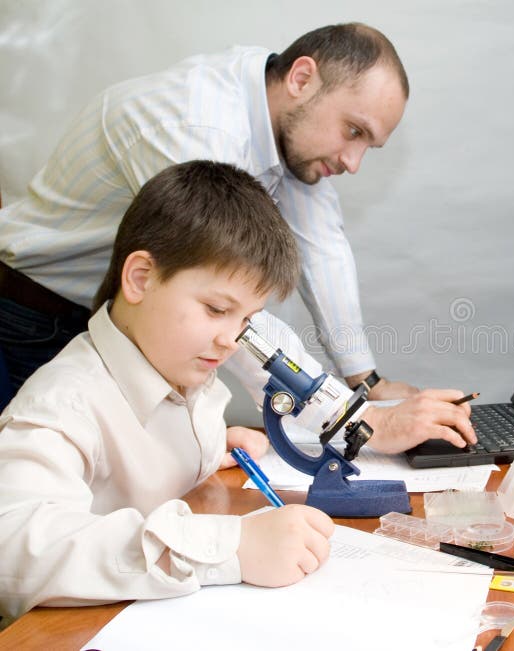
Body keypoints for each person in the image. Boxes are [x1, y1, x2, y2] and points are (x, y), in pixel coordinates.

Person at [0, 22, 416, 411]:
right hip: (33, 314)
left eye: (369, 146)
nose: (354, 162)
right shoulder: (199, 125)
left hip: (112, 319)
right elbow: (221, 294)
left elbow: (323, 247)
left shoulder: (284, 119)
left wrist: (367, 385)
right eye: (354, 131)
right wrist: (345, 415)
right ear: (302, 79)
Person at [0, 161, 339, 626]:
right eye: (217, 309)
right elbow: (13, 551)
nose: (231, 339)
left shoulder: (178, 362)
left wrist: (207, 449)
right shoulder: (62, 404)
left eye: (245, 319)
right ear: (140, 278)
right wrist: (231, 547)